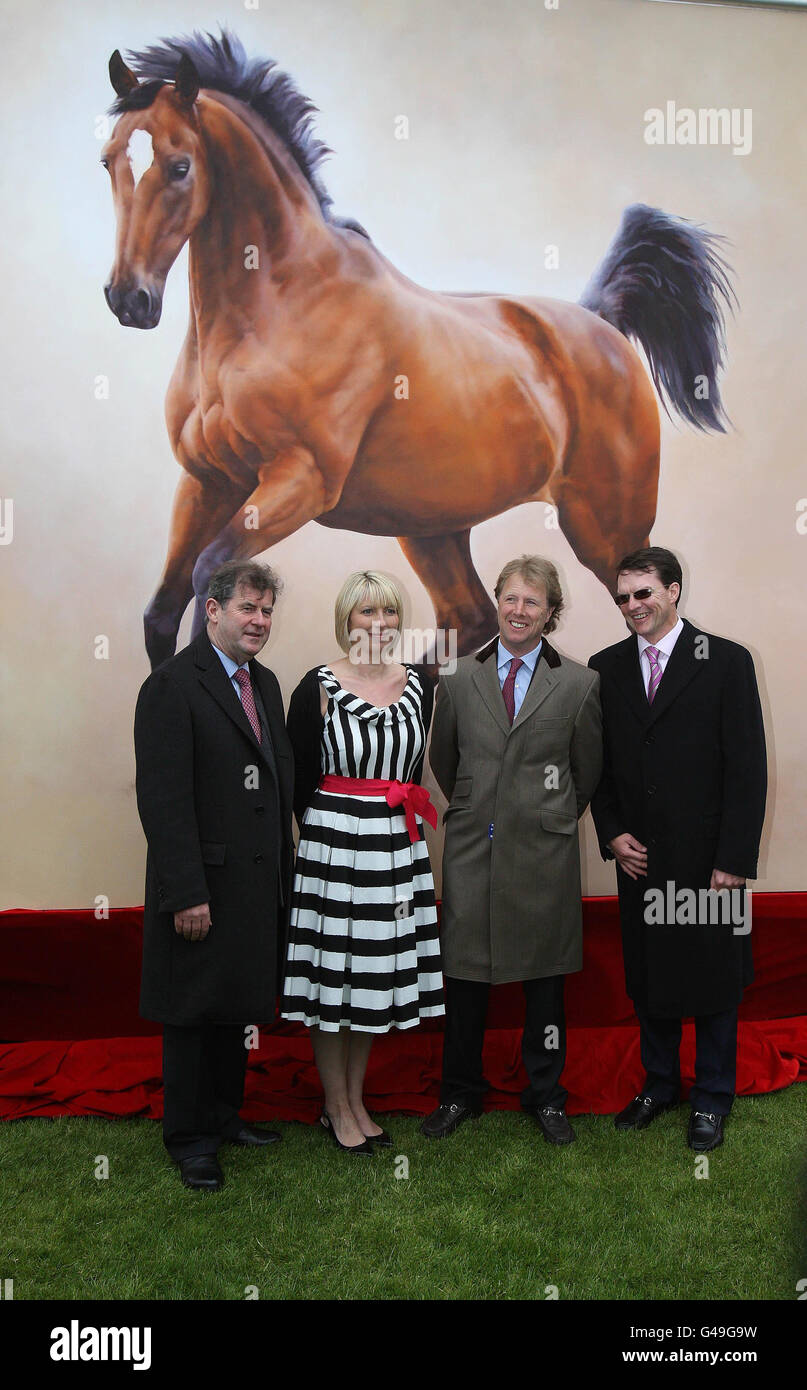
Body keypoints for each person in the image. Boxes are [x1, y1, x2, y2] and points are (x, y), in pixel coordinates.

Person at [589, 546, 767, 1152]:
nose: (633, 605)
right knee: (650, 976)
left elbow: (748, 768)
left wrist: (734, 861)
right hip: (640, 858)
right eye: (623, 596)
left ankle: (713, 1098)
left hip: (709, 861)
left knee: (715, 981)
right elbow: (597, 767)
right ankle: (659, 1084)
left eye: (644, 593)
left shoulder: (725, 661)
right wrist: (611, 833)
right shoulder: (604, 668)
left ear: (674, 591)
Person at [421, 556, 602, 1145]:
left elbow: (586, 773)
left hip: (544, 852)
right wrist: (481, 807)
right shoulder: (455, 676)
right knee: (465, 974)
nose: (519, 611)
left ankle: (546, 1096)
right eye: (511, 598)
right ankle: (459, 1093)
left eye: (533, 602)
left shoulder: (579, 683)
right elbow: (444, 761)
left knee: (545, 980)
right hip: (473, 847)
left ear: (551, 613)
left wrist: (541, 816)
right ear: (496, 601)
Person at [134, 560, 294, 1191]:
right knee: (193, 1013)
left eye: (267, 611)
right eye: (248, 609)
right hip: (201, 889)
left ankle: (226, 1116)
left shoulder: (267, 684)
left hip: (253, 886)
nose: (259, 621)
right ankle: (190, 1139)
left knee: (234, 1009)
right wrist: (187, 892)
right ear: (213, 610)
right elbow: (163, 801)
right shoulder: (173, 685)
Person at [281, 571, 444, 1154]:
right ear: (345, 621)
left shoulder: (420, 686)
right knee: (334, 982)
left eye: (388, 612)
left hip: (396, 847)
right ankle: (335, 1106)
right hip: (334, 845)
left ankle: (355, 1099)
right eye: (364, 613)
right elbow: (296, 780)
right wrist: (327, 837)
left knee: (371, 974)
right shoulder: (317, 687)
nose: (378, 624)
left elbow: (416, 771)